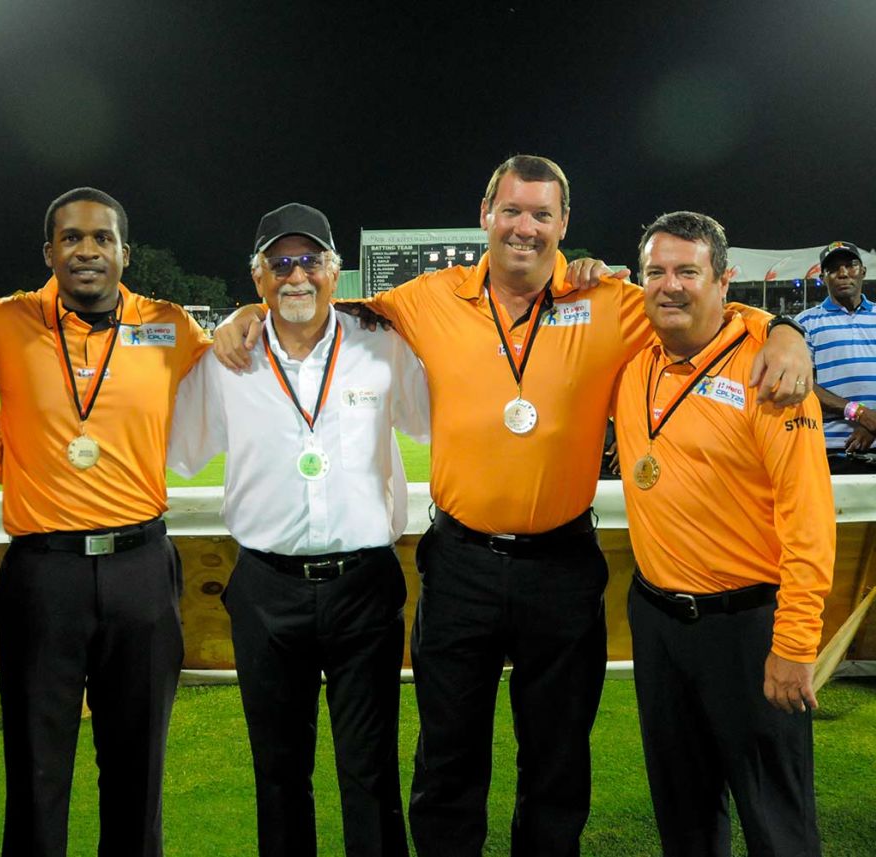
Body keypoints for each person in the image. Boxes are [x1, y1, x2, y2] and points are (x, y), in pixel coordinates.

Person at [213, 155, 812, 856]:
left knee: (557, 761)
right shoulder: (426, 298)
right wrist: (251, 309)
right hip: (461, 561)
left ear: (563, 225)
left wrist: (781, 331)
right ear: (485, 215)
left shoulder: (610, 302)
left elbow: (699, 304)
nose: (524, 228)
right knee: (447, 758)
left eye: (541, 214)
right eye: (512, 210)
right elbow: (317, 302)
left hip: (561, 565)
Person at [168, 203, 430, 856]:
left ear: (335, 270)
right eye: (280, 262)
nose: (296, 275)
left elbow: (435, 421)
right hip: (266, 587)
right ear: (257, 277)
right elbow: (176, 450)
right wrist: (215, 331)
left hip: (364, 586)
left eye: (310, 260)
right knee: (280, 774)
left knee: (370, 772)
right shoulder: (226, 358)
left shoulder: (381, 343)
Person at [0, 187, 210, 857]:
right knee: (36, 767)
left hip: (141, 563)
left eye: (102, 238)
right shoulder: (1, 321)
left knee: (138, 770)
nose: (87, 249)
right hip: (43, 570)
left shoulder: (170, 326)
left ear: (124, 253)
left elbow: (234, 387)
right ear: (48, 251)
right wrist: (21, 465)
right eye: (71, 237)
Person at [615, 211, 833, 856]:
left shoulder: (772, 376)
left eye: (688, 271)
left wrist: (794, 642)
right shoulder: (633, 358)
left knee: (777, 821)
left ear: (723, 280)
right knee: (683, 815)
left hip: (747, 625)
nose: (670, 285)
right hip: (656, 618)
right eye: (656, 272)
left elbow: (808, 517)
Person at [795, 240, 876, 467]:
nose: (843, 273)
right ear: (823, 277)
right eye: (833, 268)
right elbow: (801, 384)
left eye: (850, 265)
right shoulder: (805, 322)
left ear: (863, 271)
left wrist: (873, 423)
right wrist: (859, 413)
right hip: (833, 449)